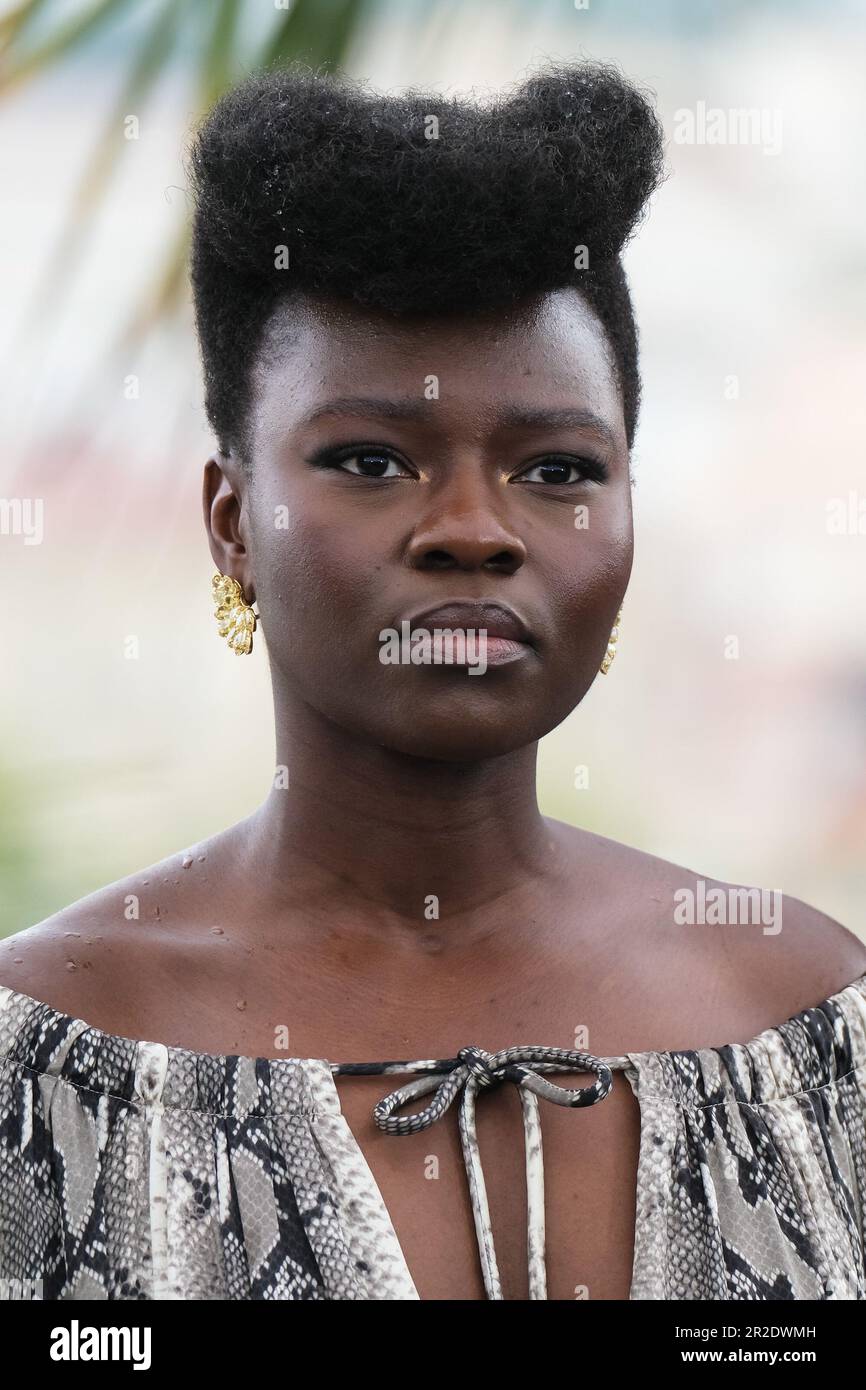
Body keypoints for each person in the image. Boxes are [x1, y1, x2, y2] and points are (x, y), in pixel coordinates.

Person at [1, 60, 864, 1303]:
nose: (472, 528)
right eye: (370, 459)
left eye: (556, 470)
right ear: (232, 521)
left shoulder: (805, 1024)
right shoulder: (46, 1056)